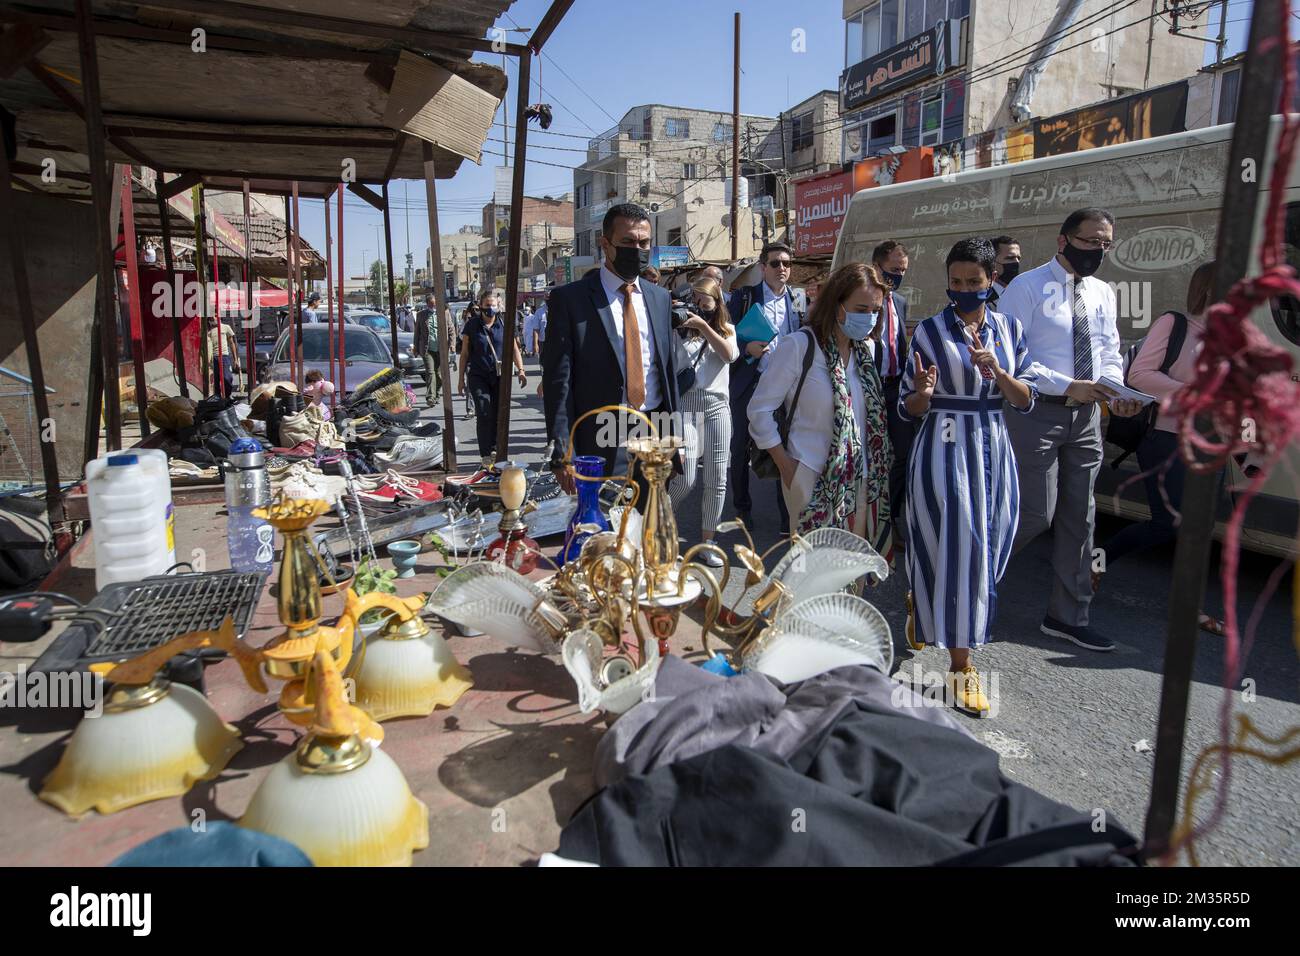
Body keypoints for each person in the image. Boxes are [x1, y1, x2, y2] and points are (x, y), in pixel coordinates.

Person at [900, 238, 1038, 717]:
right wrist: (923, 392)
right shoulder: (929, 332)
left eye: (973, 283)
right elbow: (908, 406)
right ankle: (963, 666)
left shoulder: (1010, 329)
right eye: (955, 283)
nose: (963, 290)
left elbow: (1025, 398)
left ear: (991, 280)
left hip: (993, 447)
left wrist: (997, 370)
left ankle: (924, 598)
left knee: (992, 544)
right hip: (943, 446)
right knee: (965, 548)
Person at [998, 207, 1144, 653]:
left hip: (1087, 419)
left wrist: (1115, 387)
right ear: (1063, 241)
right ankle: (963, 583)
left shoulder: (1102, 291)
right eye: (1090, 241)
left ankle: (1069, 617)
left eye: (1105, 243)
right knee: (1033, 513)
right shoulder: (1025, 289)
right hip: (1035, 411)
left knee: (1080, 517)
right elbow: (1012, 359)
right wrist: (1068, 385)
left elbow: (1108, 349)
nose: (1098, 251)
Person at [1097, 261, 1225, 636]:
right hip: (1167, 438)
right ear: (1209, 288)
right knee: (1168, 523)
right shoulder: (1175, 324)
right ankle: (1098, 560)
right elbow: (1139, 376)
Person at [748, 262, 893, 557]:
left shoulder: (866, 352)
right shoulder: (799, 346)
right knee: (809, 580)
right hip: (810, 476)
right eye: (861, 309)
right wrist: (788, 468)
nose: (869, 318)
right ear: (837, 305)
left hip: (863, 481)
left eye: (875, 310)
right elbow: (760, 410)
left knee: (851, 577)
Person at [542, 202, 679, 492]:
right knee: (606, 531)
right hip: (600, 435)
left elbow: (665, 371)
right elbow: (559, 383)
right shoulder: (571, 300)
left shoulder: (659, 299)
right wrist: (563, 453)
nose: (637, 249)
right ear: (605, 244)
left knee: (650, 529)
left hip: (654, 429)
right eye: (628, 242)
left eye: (644, 242)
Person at [728, 242, 804, 533]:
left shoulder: (797, 300)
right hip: (750, 382)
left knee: (785, 446)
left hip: (786, 386)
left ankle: (787, 516)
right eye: (775, 263)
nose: (782, 268)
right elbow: (726, 335)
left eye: (786, 263)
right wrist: (747, 348)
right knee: (740, 450)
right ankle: (742, 509)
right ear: (763, 268)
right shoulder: (746, 297)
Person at [668, 276, 739, 567]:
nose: (696, 308)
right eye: (693, 301)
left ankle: (708, 543)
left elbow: (730, 355)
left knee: (717, 478)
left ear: (716, 304)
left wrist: (704, 327)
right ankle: (657, 518)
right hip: (686, 406)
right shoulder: (675, 333)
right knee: (685, 477)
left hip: (717, 406)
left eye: (703, 302)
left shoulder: (727, 330)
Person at [870, 240, 914, 548]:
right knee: (870, 457)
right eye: (894, 270)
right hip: (868, 388)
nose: (898, 275)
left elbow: (900, 344)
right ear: (876, 267)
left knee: (901, 456)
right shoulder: (861, 300)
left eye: (903, 271)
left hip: (895, 388)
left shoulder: (900, 301)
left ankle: (889, 520)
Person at [458, 288, 527, 460]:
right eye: (487, 305)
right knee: (483, 412)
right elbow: (465, 354)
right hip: (478, 375)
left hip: (500, 377)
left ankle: (496, 448)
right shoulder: (472, 325)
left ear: (498, 306)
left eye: (494, 305)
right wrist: (460, 380)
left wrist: (521, 370)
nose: (491, 308)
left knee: (498, 413)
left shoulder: (505, 324)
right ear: (480, 306)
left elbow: (514, 349)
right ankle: (485, 454)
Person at [414, 293, 443, 409]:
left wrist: (452, 345)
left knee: (439, 374)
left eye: (435, 304)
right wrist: (416, 348)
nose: (433, 306)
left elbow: (451, 329)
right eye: (431, 304)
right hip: (427, 349)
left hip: (440, 349)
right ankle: (430, 397)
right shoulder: (421, 315)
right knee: (430, 372)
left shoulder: (443, 313)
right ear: (427, 304)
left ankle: (436, 394)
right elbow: (417, 333)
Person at [206, 317, 240, 398]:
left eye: (215, 317)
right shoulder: (208, 332)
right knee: (216, 381)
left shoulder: (226, 327)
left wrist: (235, 359)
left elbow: (232, 343)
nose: (213, 319)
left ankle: (228, 396)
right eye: (211, 318)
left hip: (224, 356)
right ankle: (218, 399)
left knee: (227, 378)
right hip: (213, 358)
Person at [989, 236, 1022, 303]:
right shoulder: (983, 297)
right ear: (992, 263)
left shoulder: (1023, 292)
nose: (1016, 262)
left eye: (1018, 258)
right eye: (1010, 258)